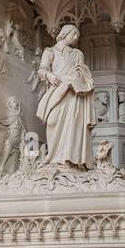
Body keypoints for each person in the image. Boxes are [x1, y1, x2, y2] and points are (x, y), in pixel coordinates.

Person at [35, 24, 95, 167]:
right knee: (52, 121)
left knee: (72, 125)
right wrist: (49, 75)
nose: (76, 38)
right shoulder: (50, 51)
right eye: (74, 35)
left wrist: (75, 78)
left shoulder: (77, 54)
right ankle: (53, 156)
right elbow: (42, 70)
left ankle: (68, 158)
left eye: (77, 36)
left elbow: (83, 72)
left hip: (72, 94)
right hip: (56, 90)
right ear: (65, 33)